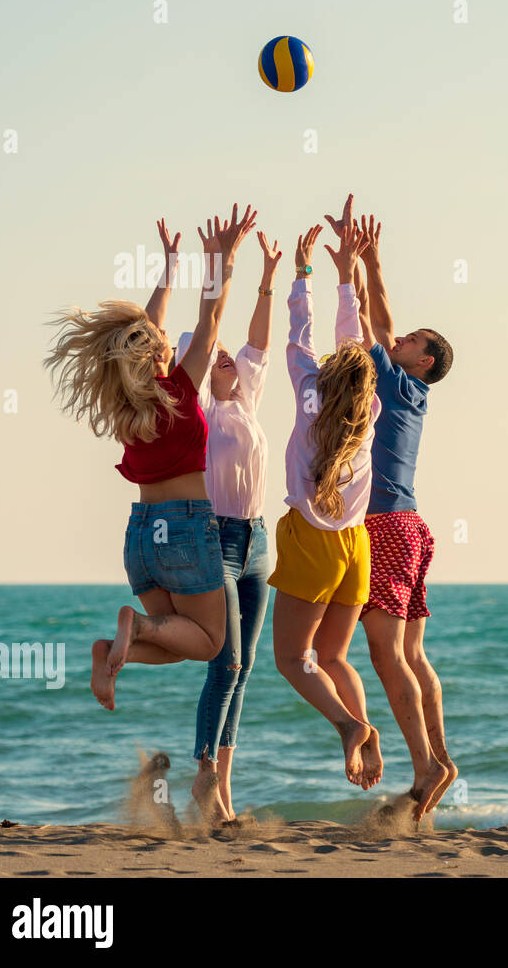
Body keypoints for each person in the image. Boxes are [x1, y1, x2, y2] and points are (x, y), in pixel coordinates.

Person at [44, 205, 256, 711]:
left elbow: (148, 327)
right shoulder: (179, 389)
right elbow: (211, 319)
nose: (165, 335)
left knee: (176, 639)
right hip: (185, 529)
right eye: (161, 339)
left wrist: (170, 268)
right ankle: (135, 627)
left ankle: (113, 651)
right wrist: (221, 260)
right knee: (211, 643)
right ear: (159, 353)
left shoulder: (122, 405)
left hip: (143, 536)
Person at [326, 195, 455, 820]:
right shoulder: (410, 389)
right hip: (410, 526)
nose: (399, 339)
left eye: (411, 340)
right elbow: (382, 320)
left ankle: (425, 765)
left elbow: (374, 322)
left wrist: (356, 266)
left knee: (385, 654)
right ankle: (440, 760)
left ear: (423, 360)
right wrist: (371, 262)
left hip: (385, 526)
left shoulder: (399, 382)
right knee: (412, 655)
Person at [269, 221, 385, 789]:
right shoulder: (370, 414)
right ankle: (366, 729)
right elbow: (352, 342)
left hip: (313, 541)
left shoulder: (309, 392)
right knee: (334, 658)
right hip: (355, 546)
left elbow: (300, 334)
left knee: (292, 659)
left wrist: (303, 273)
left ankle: (347, 725)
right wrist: (347, 276)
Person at [173, 229, 282, 823]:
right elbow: (208, 325)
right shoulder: (197, 411)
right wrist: (219, 264)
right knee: (227, 663)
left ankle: (223, 792)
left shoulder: (246, 401)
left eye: (226, 356)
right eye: (212, 354)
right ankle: (203, 775)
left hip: (257, 541)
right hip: (214, 541)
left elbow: (259, 340)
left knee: (245, 670)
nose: (223, 358)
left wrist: (268, 276)